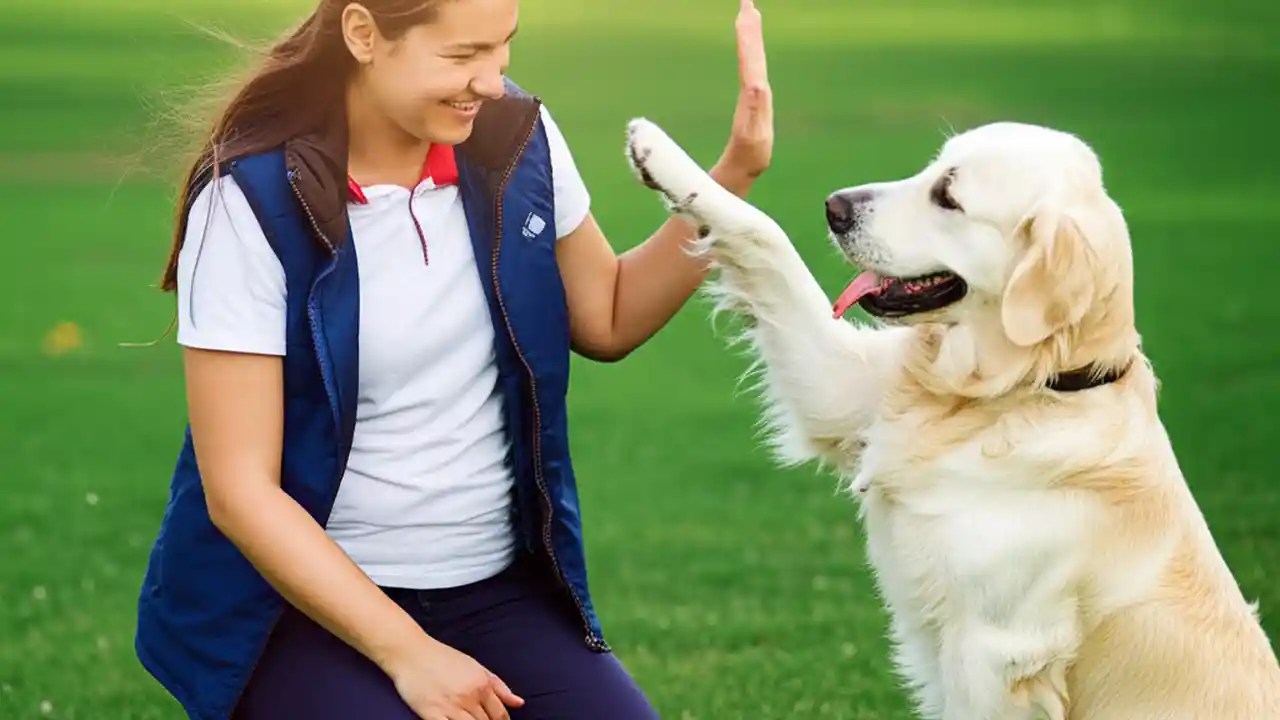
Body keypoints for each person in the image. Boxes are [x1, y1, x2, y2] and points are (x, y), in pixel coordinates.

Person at [134, 0, 772, 718]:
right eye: (462, 55)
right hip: (290, 614)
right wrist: (411, 655)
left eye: (503, 49)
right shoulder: (250, 201)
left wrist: (730, 181)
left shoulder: (515, 140)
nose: (493, 81)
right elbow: (240, 492)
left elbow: (610, 314)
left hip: (495, 592)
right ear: (363, 34)